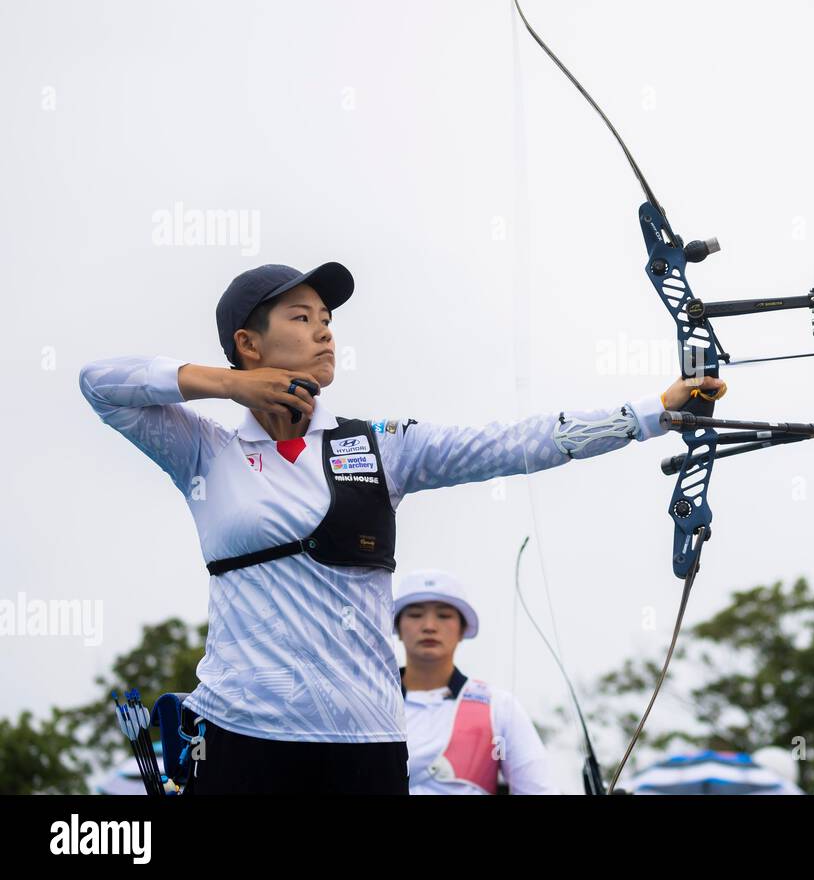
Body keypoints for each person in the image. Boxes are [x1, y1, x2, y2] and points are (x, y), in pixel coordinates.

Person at [78, 261, 725, 794]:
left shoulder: (381, 447)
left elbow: (513, 443)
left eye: (327, 320)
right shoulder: (205, 451)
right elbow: (99, 383)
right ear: (249, 343)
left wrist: (653, 414)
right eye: (301, 319)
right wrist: (229, 385)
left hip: (363, 742)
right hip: (239, 736)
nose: (325, 333)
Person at [394, 570, 553, 794]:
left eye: (444, 615)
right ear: (397, 627)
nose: (429, 625)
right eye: (416, 614)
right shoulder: (370, 705)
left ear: (462, 629)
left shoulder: (499, 707)